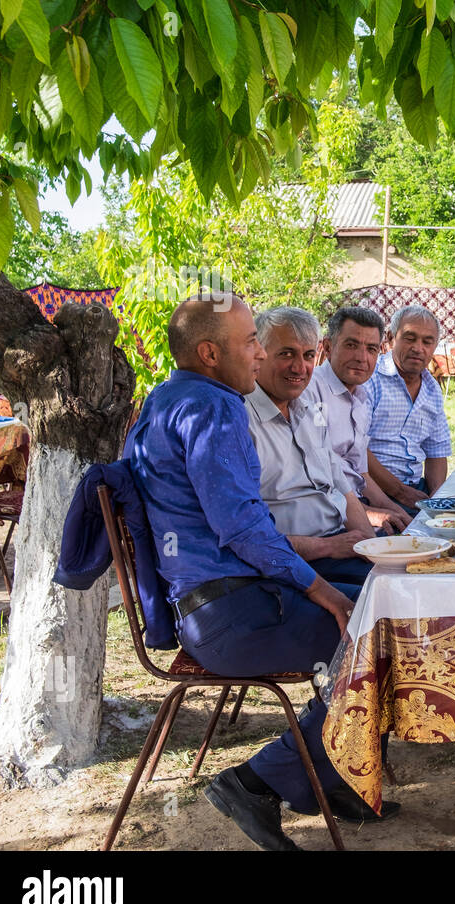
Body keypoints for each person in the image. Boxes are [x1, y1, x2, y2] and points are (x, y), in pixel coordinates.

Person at [124, 293, 399, 852]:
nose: (258, 355)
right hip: (228, 616)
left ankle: (337, 776)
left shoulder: (171, 396)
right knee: (383, 642)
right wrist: (324, 591)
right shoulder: (216, 408)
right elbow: (245, 530)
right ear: (208, 353)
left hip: (226, 600)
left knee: (385, 605)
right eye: (252, 342)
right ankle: (255, 782)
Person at [245, 307, 377, 587]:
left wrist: (372, 549)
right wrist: (328, 547)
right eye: (286, 354)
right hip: (293, 564)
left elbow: (343, 487)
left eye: (307, 356)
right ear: (259, 353)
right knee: (399, 604)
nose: (299, 367)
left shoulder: (308, 409)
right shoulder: (240, 421)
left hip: (340, 547)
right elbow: (250, 538)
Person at [307, 306, 410, 533]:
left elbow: (360, 473)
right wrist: (369, 514)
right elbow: (316, 479)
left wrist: (394, 509)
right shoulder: (310, 391)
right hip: (327, 519)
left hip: (357, 504)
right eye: (351, 345)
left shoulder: (361, 397)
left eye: (371, 349)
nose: (362, 358)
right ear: (327, 347)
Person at [365, 306, 451, 512]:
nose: (418, 348)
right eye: (410, 338)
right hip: (373, 491)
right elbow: (355, 449)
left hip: (415, 489)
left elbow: (437, 451)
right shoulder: (370, 379)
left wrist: (435, 504)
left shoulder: (431, 389)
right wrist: (400, 493)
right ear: (390, 338)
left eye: (427, 342)